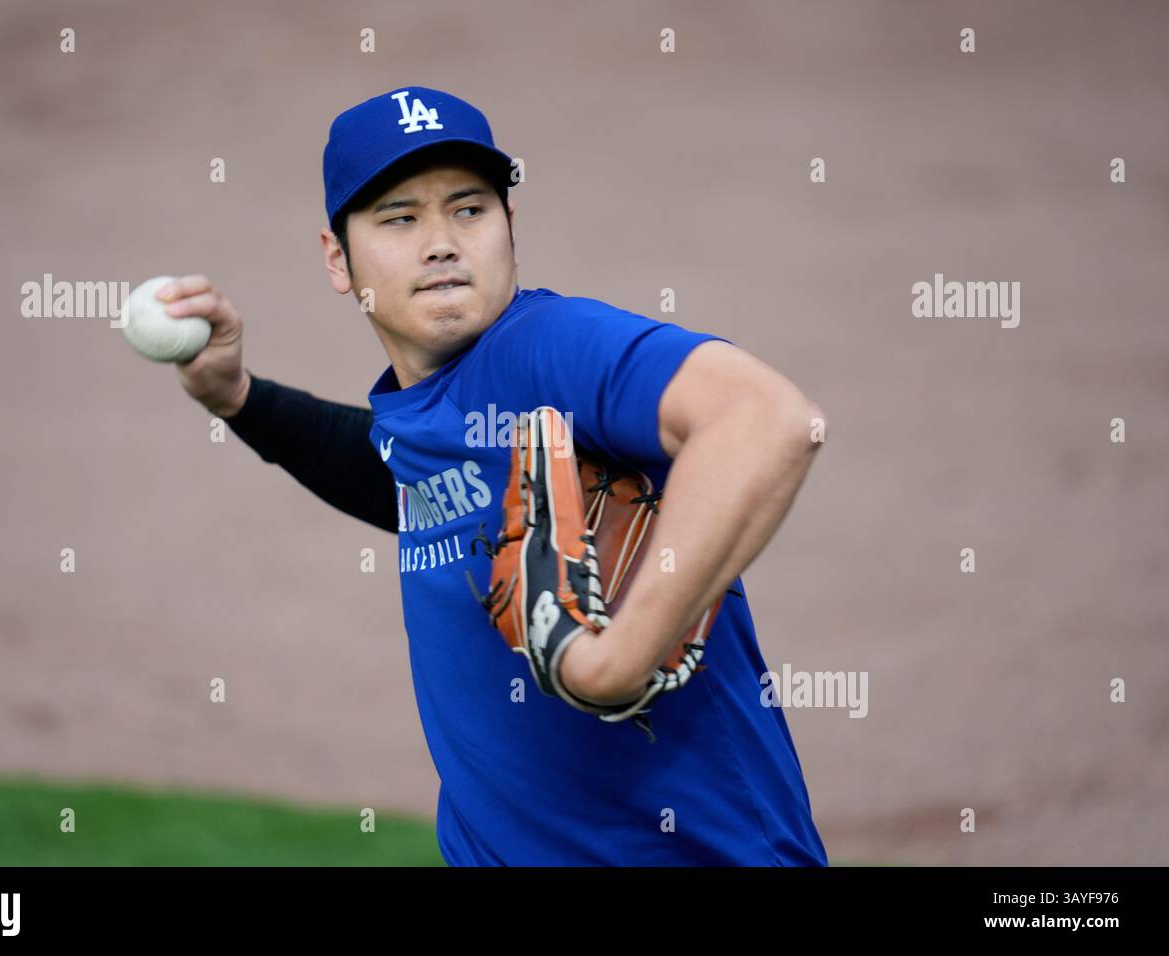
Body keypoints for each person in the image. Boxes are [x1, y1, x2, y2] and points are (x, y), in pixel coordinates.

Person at [163, 86, 829, 866]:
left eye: (470, 209)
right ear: (337, 259)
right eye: (399, 217)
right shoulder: (428, 411)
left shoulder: (546, 348)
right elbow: (401, 482)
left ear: (512, 227)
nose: (441, 241)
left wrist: (615, 662)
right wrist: (238, 398)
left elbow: (770, 420)